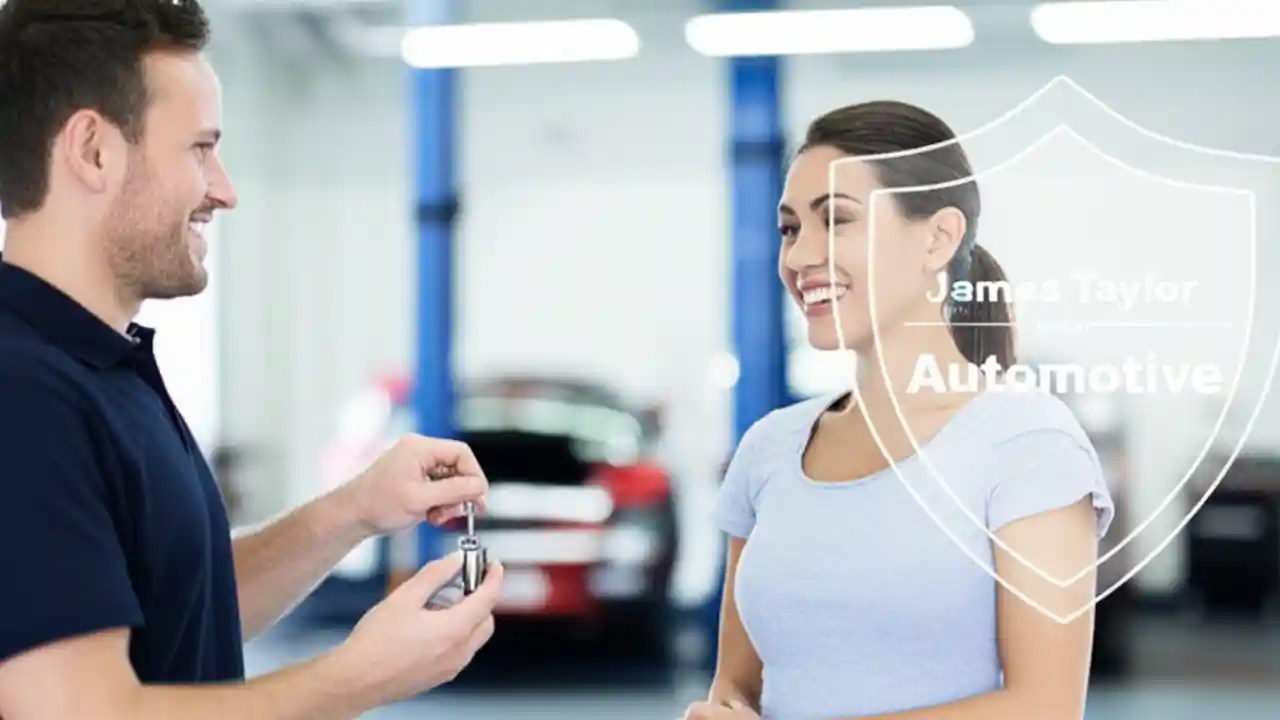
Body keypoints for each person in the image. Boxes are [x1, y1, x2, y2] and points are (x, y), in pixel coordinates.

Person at [0, 1, 504, 718]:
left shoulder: (100, 372)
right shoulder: (22, 394)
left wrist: (355, 511)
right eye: (200, 148)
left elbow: (182, 609)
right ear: (94, 151)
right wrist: (359, 677)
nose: (225, 189)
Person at [685, 100, 1115, 720]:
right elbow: (736, 688)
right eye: (790, 229)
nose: (801, 256)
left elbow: (1043, 708)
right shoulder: (768, 448)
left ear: (938, 237)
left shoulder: (1030, 445)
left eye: (836, 221)